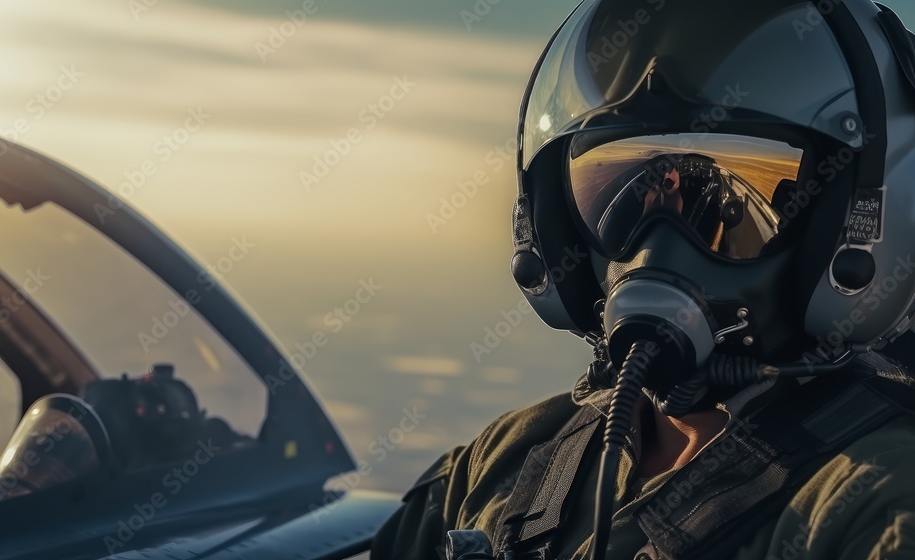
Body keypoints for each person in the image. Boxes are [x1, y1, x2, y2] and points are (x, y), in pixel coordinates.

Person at [371, 0, 915, 559]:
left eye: (718, 175)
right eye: (618, 188)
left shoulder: (877, 506)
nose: (659, 246)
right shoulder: (502, 463)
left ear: (855, 230)